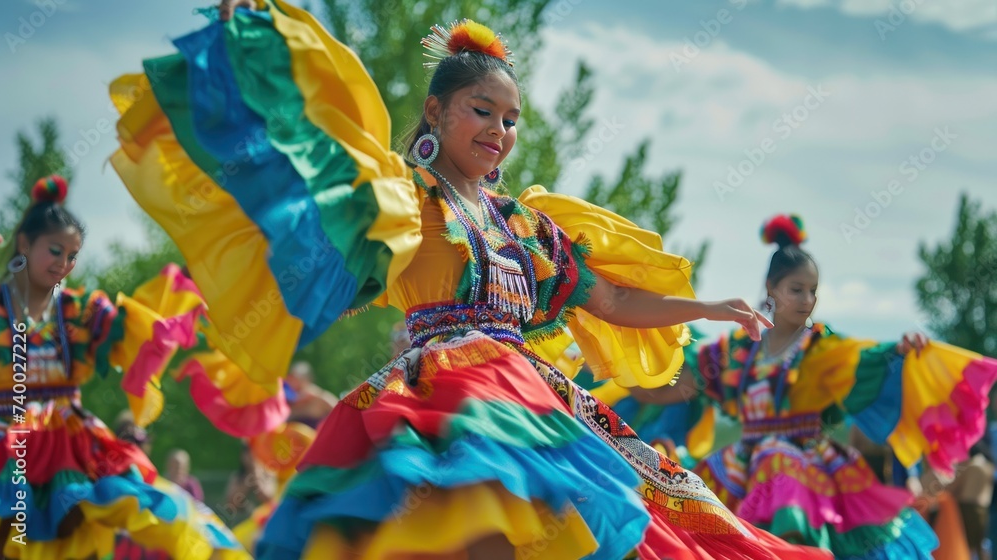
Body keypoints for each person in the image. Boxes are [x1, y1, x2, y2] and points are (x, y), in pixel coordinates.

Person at [110, 2, 832, 558]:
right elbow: (308, 159)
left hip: (529, 393)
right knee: (469, 532)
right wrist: (247, 56)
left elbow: (608, 300)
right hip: (442, 394)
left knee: (639, 518)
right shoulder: (406, 197)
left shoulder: (529, 226)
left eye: (512, 118)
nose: (500, 130)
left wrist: (704, 306)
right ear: (437, 112)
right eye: (482, 112)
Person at [639, 214, 997, 557]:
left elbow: (869, 358)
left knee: (785, 490)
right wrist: (625, 374)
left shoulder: (820, 349)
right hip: (742, 466)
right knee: (697, 527)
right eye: (796, 290)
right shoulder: (735, 350)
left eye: (812, 291)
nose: (807, 300)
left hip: (806, 467)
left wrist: (902, 349)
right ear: (771, 289)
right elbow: (677, 387)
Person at [0, 176, 247, 559]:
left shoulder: (80, 310)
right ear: (24, 245)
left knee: (149, 511)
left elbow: (141, 329)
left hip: (76, 444)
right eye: (54, 251)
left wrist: (193, 274)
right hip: (7, 436)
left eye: (72, 255)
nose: (64, 264)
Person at [284, 361, 337, 429]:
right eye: (290, 377)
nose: (290, 380)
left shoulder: (318, 399)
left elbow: (339, 411)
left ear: (306, 380)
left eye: (294, 377)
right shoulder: (288, 400)